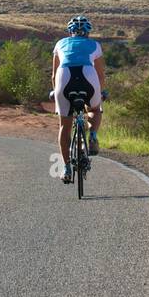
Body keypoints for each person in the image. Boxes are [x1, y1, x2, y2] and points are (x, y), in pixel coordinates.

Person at [52, 15, 106, 183]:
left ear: (70, 32)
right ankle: (93, 135)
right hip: (88, 76)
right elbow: (100, 75)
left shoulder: (60, 44)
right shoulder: (95, 45)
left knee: (64, 124)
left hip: (64, 78)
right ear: (88, 32)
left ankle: (67, 168)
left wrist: (55, 92)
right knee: (95, 109)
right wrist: (101, 92)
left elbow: (54, 75)